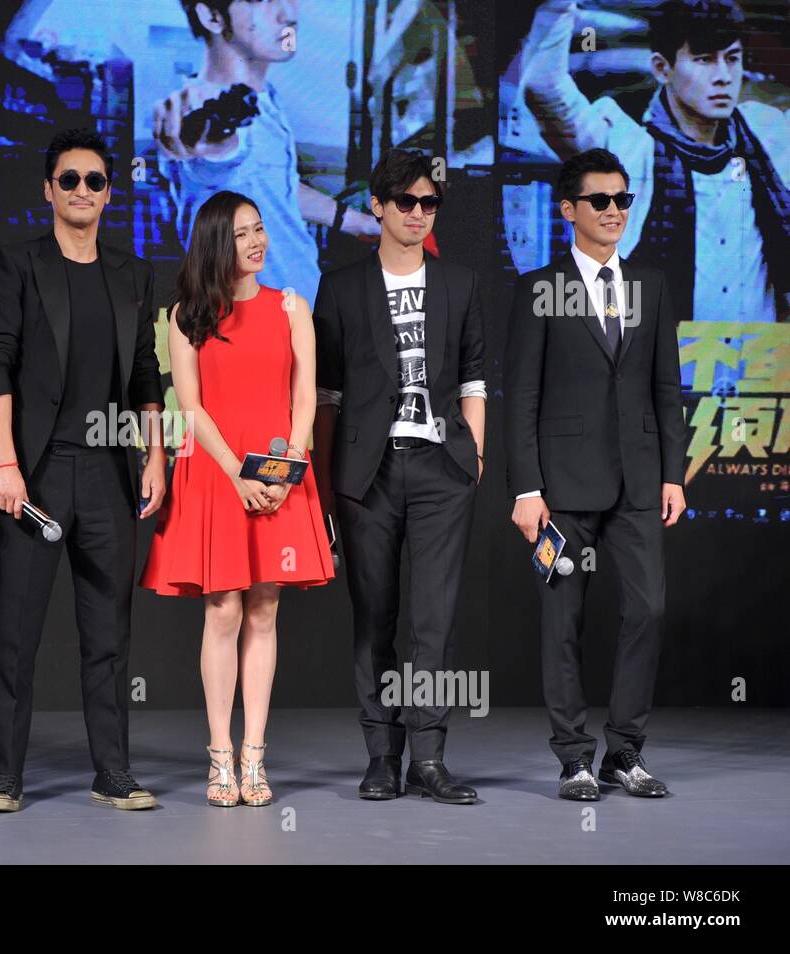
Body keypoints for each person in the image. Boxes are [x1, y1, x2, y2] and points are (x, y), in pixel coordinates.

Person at [0, 128, 167, 812]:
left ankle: (112, 771)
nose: (84, 190)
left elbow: (147, 373)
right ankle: (5, 776)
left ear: (109, 193)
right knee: (15, 631)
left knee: (109, 632)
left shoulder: (133, 274)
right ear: (48, 189)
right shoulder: (15, 266)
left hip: (109, 474)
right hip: (36, 473)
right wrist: (5, 464)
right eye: (71, 179)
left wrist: (155, 455)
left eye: (96, 180)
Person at [140, 190, 334, 808]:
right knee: (223, 609)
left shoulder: (291, 307)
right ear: (216, 243)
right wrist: (237, 475)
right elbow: (189, 409)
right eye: (242, 233)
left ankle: (255, 758)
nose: (257, 242)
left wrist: (285, 470)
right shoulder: (186, 316)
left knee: (264, 609)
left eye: (259, 230)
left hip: (281, 474)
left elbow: (305, 401)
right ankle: (218, 758)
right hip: (216, 474)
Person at [504, 147, 687, 801]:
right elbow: (519, 395)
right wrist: (527, 488)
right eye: (600, 201)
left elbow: (667, 386)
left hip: (639, 483)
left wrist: (673, 472)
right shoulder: (537, 288)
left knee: (649, 607)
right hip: (559, 493)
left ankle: (625, 753)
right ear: (569, 210)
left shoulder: (652, 286)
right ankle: (574, 758)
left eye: (623, 199)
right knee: (563, 620)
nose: (615, 211)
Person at [313, 148, 486, 805]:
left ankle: (430, 758)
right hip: (368, 472)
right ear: (379, 206)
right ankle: (382, 756)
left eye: (429, 203)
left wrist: (473, 458)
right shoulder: (341, 286)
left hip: (443, 469)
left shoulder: (461, 283)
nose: (419, 214)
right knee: (374, 618)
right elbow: (328, 395)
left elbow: (474, 378)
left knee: (432, 623)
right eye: (407, 202)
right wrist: (329, 484)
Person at [522, 0, 790, 330]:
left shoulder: (768, 137)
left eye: (732, 59)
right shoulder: (629, 148)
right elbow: (544, 89)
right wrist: (557, 8)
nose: (723, 77)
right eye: (704, 60)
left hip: (760, 367)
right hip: (661, 365)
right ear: (662, 68)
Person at [153, 0, 380, 311]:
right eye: (261, 1)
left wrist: (354, 221)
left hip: (300, 316)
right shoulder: (204, 110)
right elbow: (212, 161)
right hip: (254, 332)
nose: (289, 15)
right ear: (213, 16)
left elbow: (273, 185)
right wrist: (208, 144)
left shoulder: (266, 101)